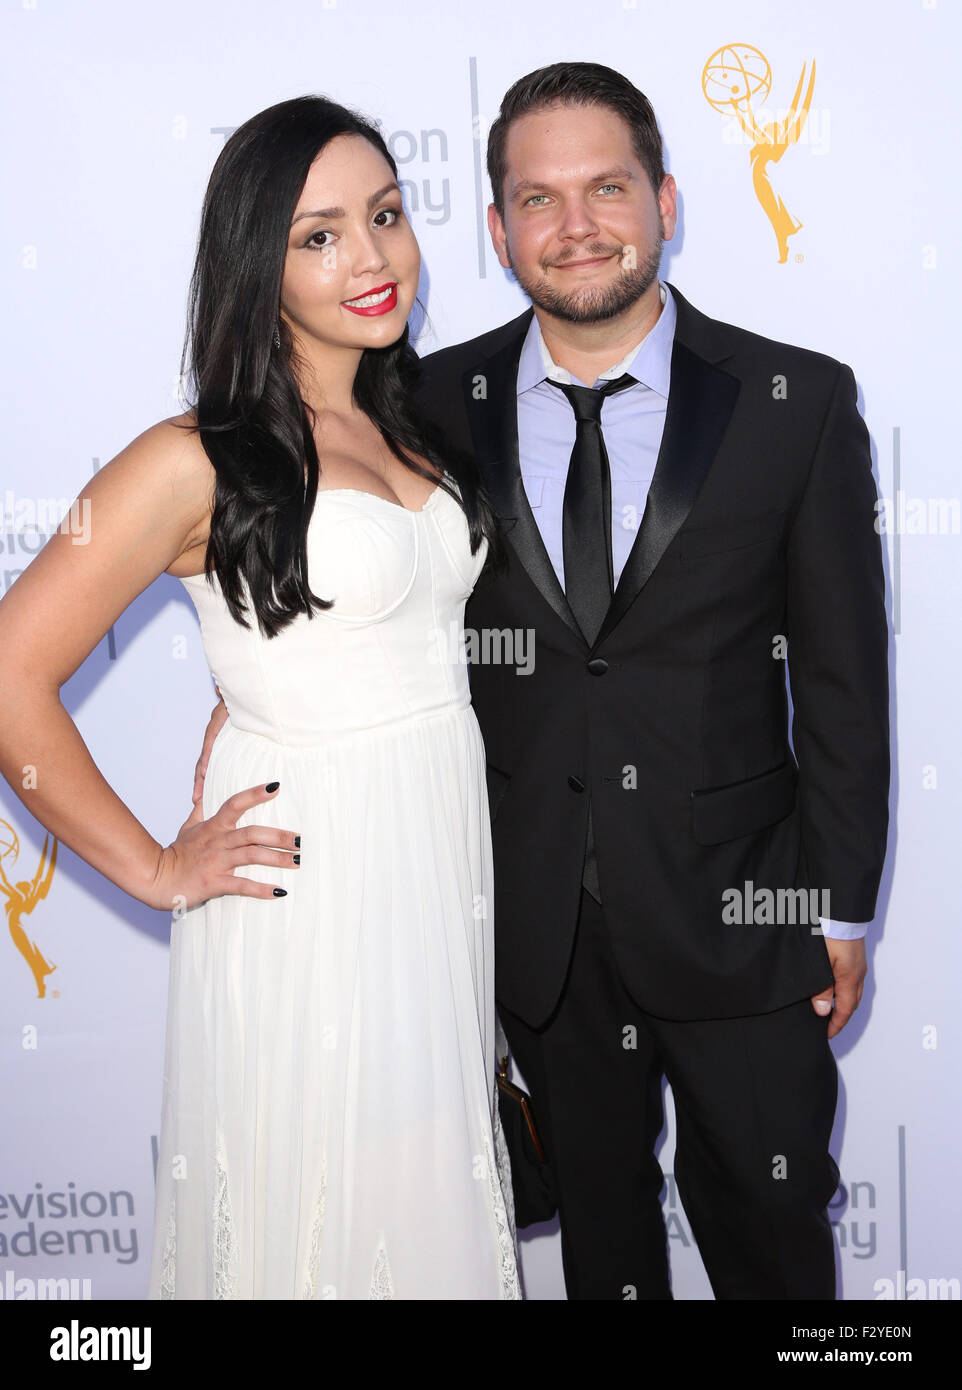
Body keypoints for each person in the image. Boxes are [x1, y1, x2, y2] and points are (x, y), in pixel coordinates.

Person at [196, 65, 890, 1300]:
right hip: (526, 929)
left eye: (606, 188)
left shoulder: (794, 400)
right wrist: (236, 742)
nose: (575, 227)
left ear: (665, 201)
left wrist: (835, 909)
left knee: (775, 1240)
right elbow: (334, 606)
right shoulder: (420, 403)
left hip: (742, 914)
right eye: (537, 199)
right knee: (599, 1250)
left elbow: (842, 683)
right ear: (502, 226)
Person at [0, 95, 521, 1300]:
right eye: (319, 235)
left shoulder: (414, 427)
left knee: (417, 1196)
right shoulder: (195, 454)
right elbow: (13, 669)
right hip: (307, 888)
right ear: (255, 260)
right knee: (316, 1217)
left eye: (384, 216)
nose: (372, 257)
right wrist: (153, 867)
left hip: (436, 869)